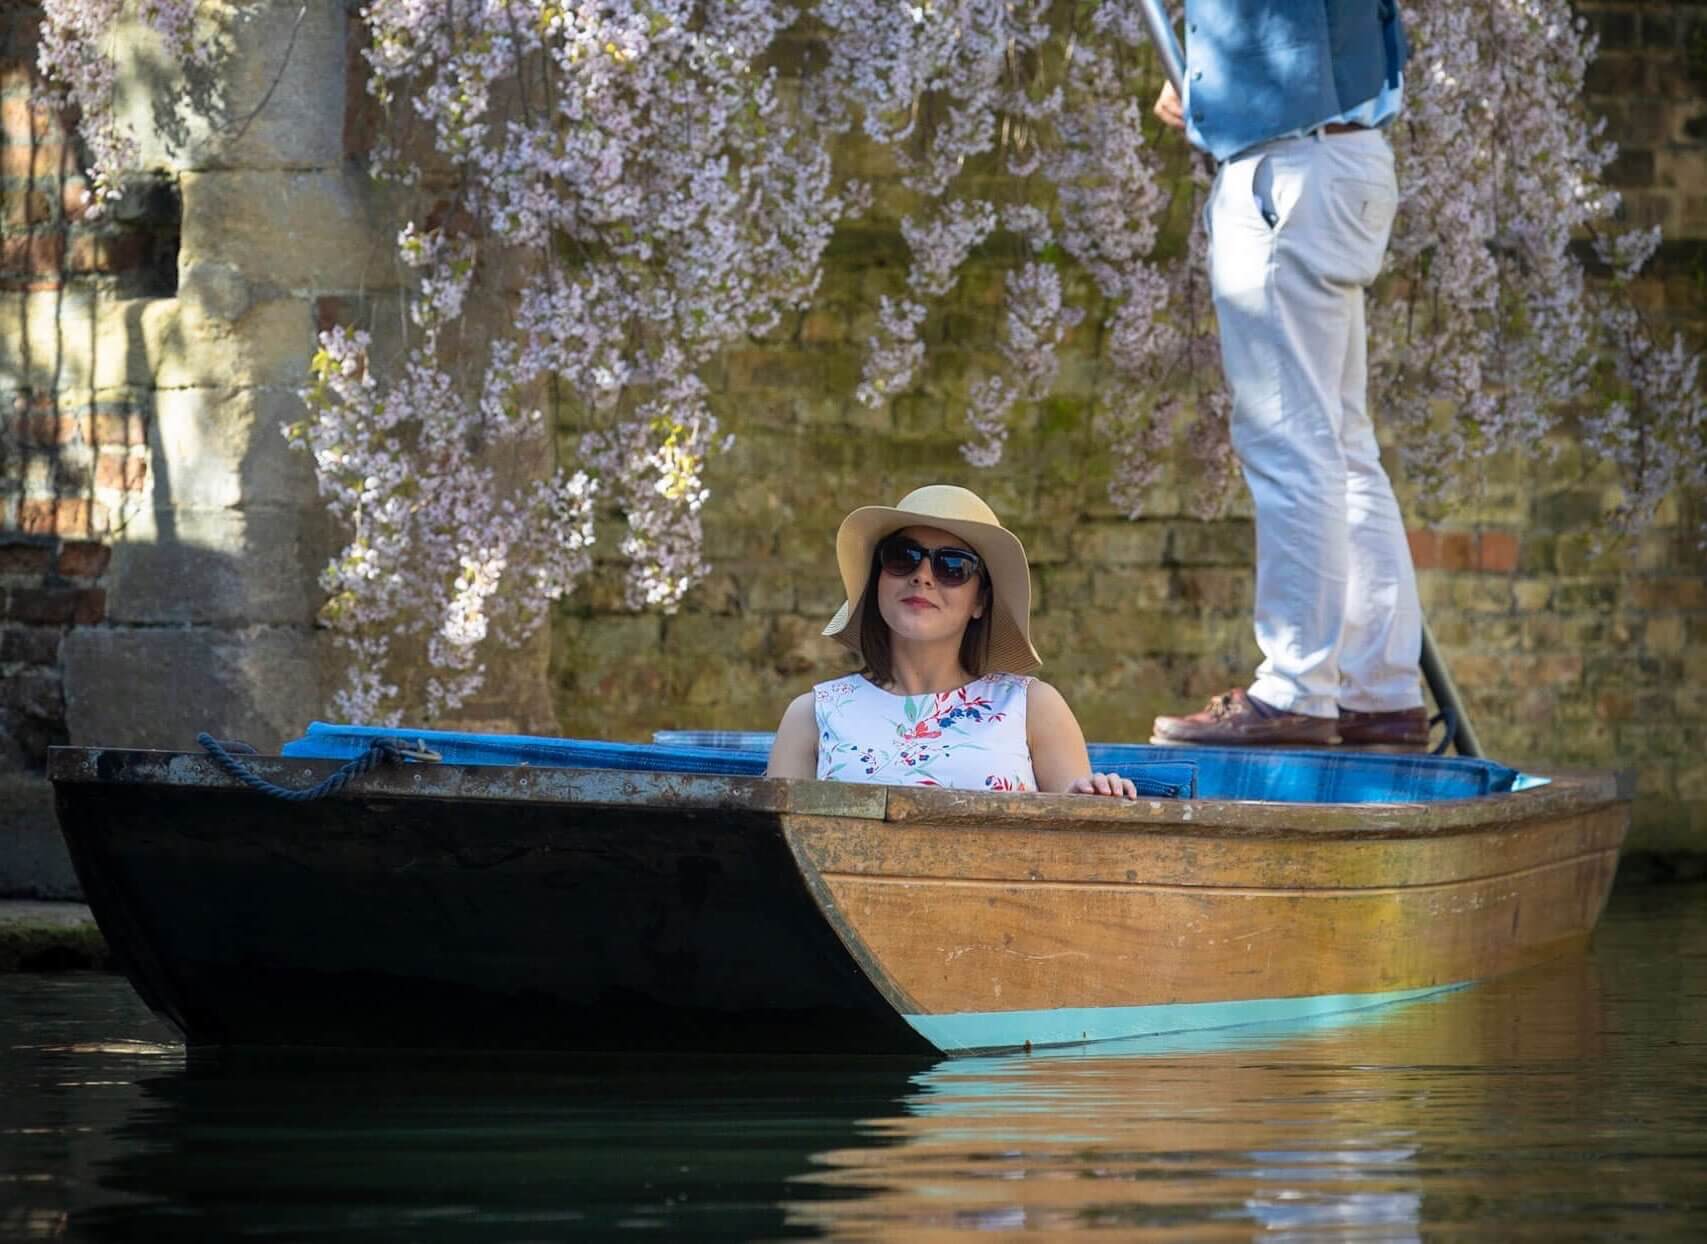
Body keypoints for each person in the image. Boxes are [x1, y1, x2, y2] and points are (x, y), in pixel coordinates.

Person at [1147, 1, 1430, 750]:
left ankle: (1297, 688)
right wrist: (1211, 79)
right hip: (1338, 162)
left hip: (1290, 170)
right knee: (1339, 445)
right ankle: (1380, 692)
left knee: (1290, 440)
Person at [766, 484, 1137, 798]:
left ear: (980, 601)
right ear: (877, 579)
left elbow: (1078, 851)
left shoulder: (1033, 708)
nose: (923, 576)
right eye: (903, 557)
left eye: (953, 566)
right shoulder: (812, 715)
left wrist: (1096, 796)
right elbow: (776, 852)